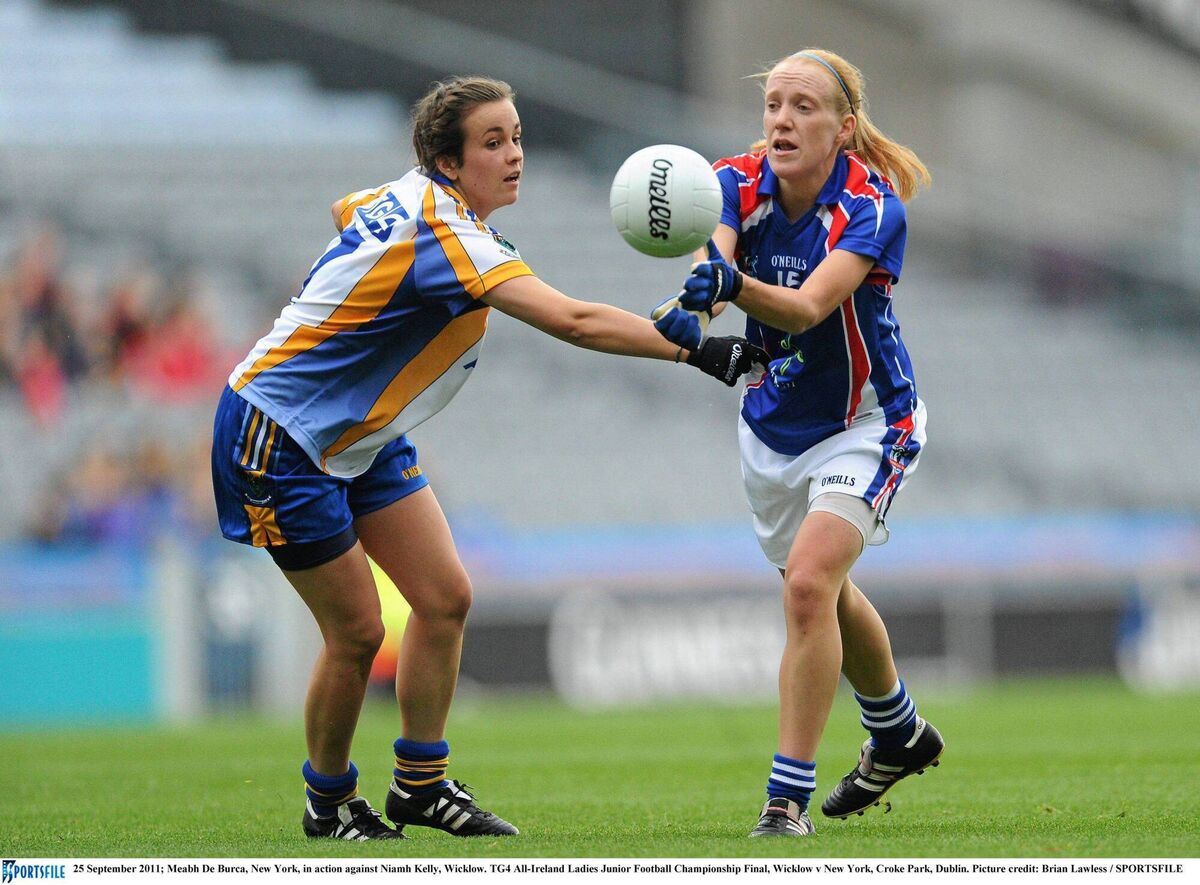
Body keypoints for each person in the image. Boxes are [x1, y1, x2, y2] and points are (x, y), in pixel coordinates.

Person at [211, 75, 764, 842]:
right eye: (493, 142)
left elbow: (350, 208)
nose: (514, 156)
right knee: (360, 632)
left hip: (357, 432)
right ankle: (329, 801)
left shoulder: (421, 204)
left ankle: (420, 786)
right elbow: (570, 320)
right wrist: (700, 349)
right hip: (279, 434)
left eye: (518, 137)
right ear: (446, 160)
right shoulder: (445, 231)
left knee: (444, 598)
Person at [653, 48, 943, 838]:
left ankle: (786, 800)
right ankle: (898, 732)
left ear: (844, 128)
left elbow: (810, 307)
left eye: (803, 106)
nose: (781, 119)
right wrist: (700, 305)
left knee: (809, 585)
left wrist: (730, 289)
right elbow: (713, 249)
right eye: (774, 103)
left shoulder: (871, 207)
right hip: (772, 424)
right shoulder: (737, 179)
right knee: (826, 592)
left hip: (868, 422)